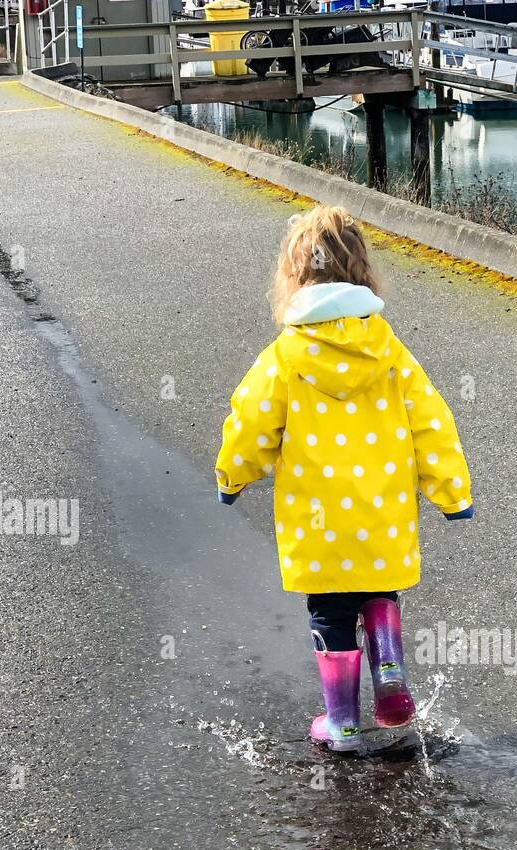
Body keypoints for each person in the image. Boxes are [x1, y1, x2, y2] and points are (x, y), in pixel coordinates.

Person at [214, 205, 473, 752]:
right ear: (361, 271)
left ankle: (343, 725)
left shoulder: (285, 355)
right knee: (379, 590)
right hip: (382, 515)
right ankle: (390, 671)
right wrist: (451, 492)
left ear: (294, 277)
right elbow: (431, 420)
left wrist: (233, 475)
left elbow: (252, 421)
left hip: (318, 523)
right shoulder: (387, 348)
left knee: (330, 613)